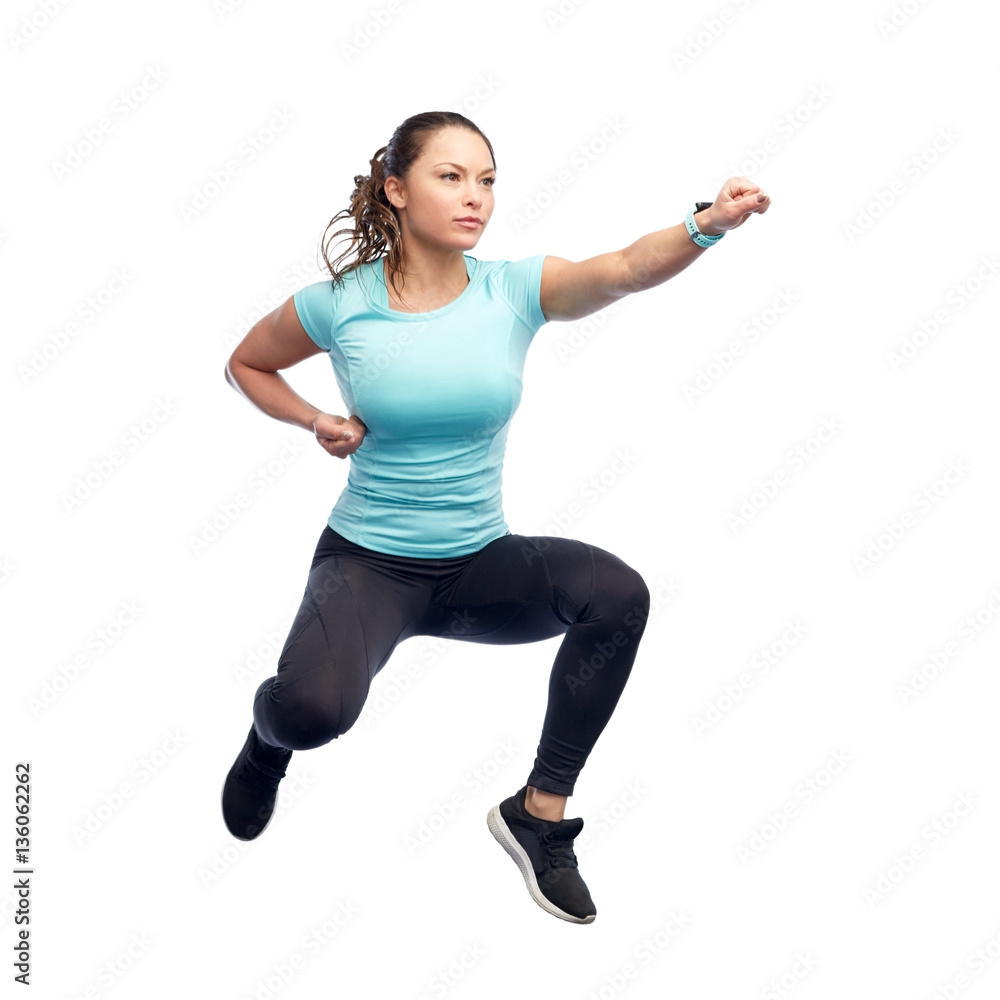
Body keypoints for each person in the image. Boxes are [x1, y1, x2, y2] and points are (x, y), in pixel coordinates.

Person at [221, 110, 770, 924]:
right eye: (450, 177)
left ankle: (538, 814)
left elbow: (623, 269)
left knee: (618, 595)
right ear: (396, 190)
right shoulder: (338, 305)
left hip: (479, 565)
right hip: (369, 565)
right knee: (309, 713)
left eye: (486, 180)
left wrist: (707, 224)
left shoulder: (512, 291)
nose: (475, 196)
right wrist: (314, 419)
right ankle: (266, 748)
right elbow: (246, 363)